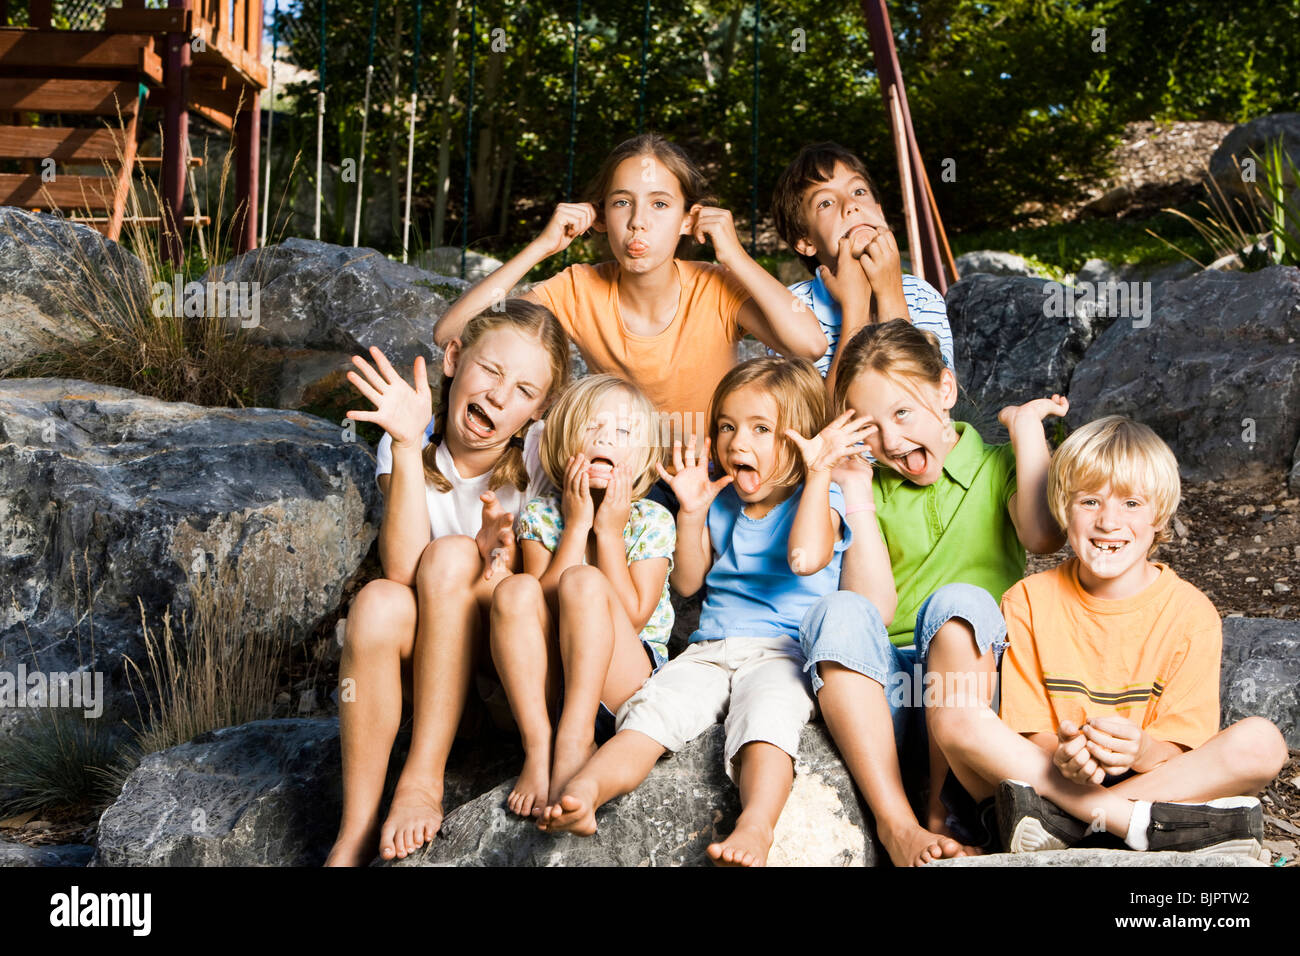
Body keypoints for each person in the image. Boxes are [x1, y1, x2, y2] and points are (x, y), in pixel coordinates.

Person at [541, 357, 894, 867]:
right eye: (726, 427)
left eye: (760, 429)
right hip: (710, 648)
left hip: (785, 652)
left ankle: (755, 824)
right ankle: (588, 790)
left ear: (801, 440)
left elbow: (805, 558)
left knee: (766, 719)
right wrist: (691, 513)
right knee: (653, 710)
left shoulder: (824, 496)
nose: (737, 443)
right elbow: (687, 581)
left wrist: (818, 476)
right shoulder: (723, 502)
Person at [932, 416, 1288, 858]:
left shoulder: (1192, 613)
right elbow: (1029, 736)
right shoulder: (1026, 600)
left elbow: (1176, 753)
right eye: (1089, 501)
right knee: (956, 714)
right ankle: (1143, 826)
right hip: (1049, 776)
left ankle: (1077, 824)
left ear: (1160, 515)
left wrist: (1139, 749)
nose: (1108, 521)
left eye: (1132, 504)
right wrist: (1068, 756)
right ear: (1064, 507)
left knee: (1262, 741)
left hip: (1151, 779)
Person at [798, 319, 1067, 865]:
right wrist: (849, 488)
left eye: (902, 412)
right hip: (887, 698)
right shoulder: (865, 485)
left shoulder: (999, 466)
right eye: (869, 426)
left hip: (972, 692)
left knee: (960, 602)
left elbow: (1044, 534)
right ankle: (898, 826)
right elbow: (869, 609)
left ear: (946, 391)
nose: (891, 440)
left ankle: (944, 810)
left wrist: (1024, 429)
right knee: (837, 610)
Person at [324, 299, 570, 866]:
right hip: (433, 666)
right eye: (491, 370)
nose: (500, 396)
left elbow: (531, 594)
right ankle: (354, 831)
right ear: (455, 358)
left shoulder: (539, 457)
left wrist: (495, 558)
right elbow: (402, 568)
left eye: (526, 391)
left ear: (540, 411)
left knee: (455, 556)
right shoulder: (411, 436)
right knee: (380, 601)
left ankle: (421, 779)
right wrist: (408, 445)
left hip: (508, 668)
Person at [433, 133, 827, 452]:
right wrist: (541, 247)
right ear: (602, 217)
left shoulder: (715, 286)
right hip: (621, 467)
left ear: (689, 219)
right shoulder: (578, 288)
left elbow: (809, 345)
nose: (639, 222)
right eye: (623, 203)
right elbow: (454, 331)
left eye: (659, 204)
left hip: (710, 470)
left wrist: (735, 256)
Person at [489, 374, 674, 818]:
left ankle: (575, 743)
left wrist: (608, 531)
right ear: (565, 443)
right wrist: (576, 526)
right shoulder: (543, 515)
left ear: (645, 457)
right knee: (516, 589)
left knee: (585, 582)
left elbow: (630, 617)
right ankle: (538, 748)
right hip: (555, 681)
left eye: (624, 433)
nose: (606, 437)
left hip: (623, 682)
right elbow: (541, 605)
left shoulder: (651, 518)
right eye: (593, 427)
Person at [770, 141, 953, 392]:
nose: (851, 205)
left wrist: (890, 293)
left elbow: (924, 398)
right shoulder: (791, 307)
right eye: (825, 203)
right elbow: (828, 417)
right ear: (806, 242)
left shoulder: (922, 295)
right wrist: (854, 306)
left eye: (858, 191)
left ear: (880, 212)